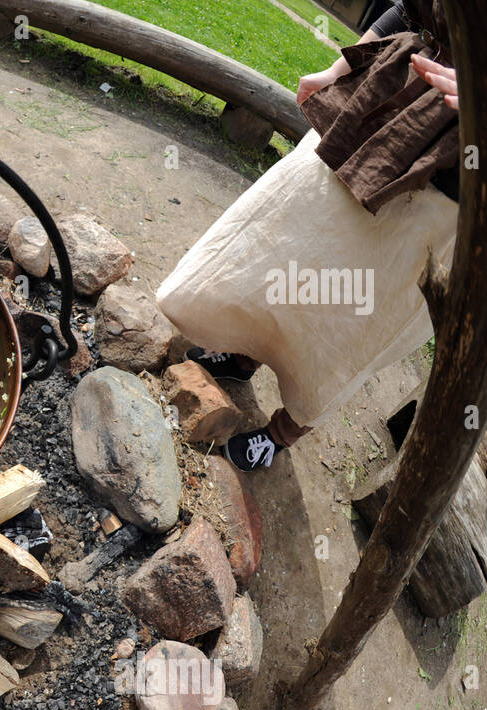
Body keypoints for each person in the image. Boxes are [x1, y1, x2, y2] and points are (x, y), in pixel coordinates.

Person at [157, 0, 462, 471]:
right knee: (283, 243)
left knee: (356, 316)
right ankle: (242, 355)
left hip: (460, 184)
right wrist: (336, 69)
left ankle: (281, 434)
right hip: (376, 108)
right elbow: (409, 7)